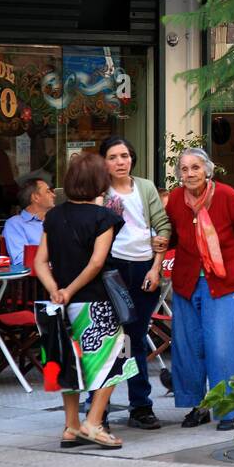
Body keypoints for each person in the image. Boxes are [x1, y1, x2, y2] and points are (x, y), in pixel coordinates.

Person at [35, 152, 136, 449]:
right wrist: (71, 289)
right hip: (96, 302)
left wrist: (58, 289)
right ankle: (93, 423)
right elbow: (95, 264)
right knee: (117, 358)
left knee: (70, 362)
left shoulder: (53, 216)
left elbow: (40, 262)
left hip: (62, 307)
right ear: (99, 182)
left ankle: (71, 427)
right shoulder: (104, 218)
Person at [165, 147, 234, 430]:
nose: (190, 173)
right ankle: (197, 405)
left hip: (223, 282)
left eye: (195, 168)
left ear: (207, 170)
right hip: (186, 282)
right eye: (184, 168)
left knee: (220, 348)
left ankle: (228, 410)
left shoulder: (227, 196)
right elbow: (170, 236)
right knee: (188, 348)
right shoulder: (176, 199)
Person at [99, 136, 172, 431]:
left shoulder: (144, 186)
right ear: (104, 161)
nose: (120, 162)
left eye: (125, 156)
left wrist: (156, 268)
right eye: (114, 157)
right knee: (107, 339)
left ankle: (140, 405)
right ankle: (98, 410)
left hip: (144, 266)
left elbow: (163, 225)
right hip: (111, 269)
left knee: (136, 338)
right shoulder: (99, 191)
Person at [2, 177, 55, 268]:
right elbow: (20, 260)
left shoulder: (56, 220)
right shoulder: (15, 224)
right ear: (36, 197)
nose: (54, 195)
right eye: (48, 191)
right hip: (36, 279)